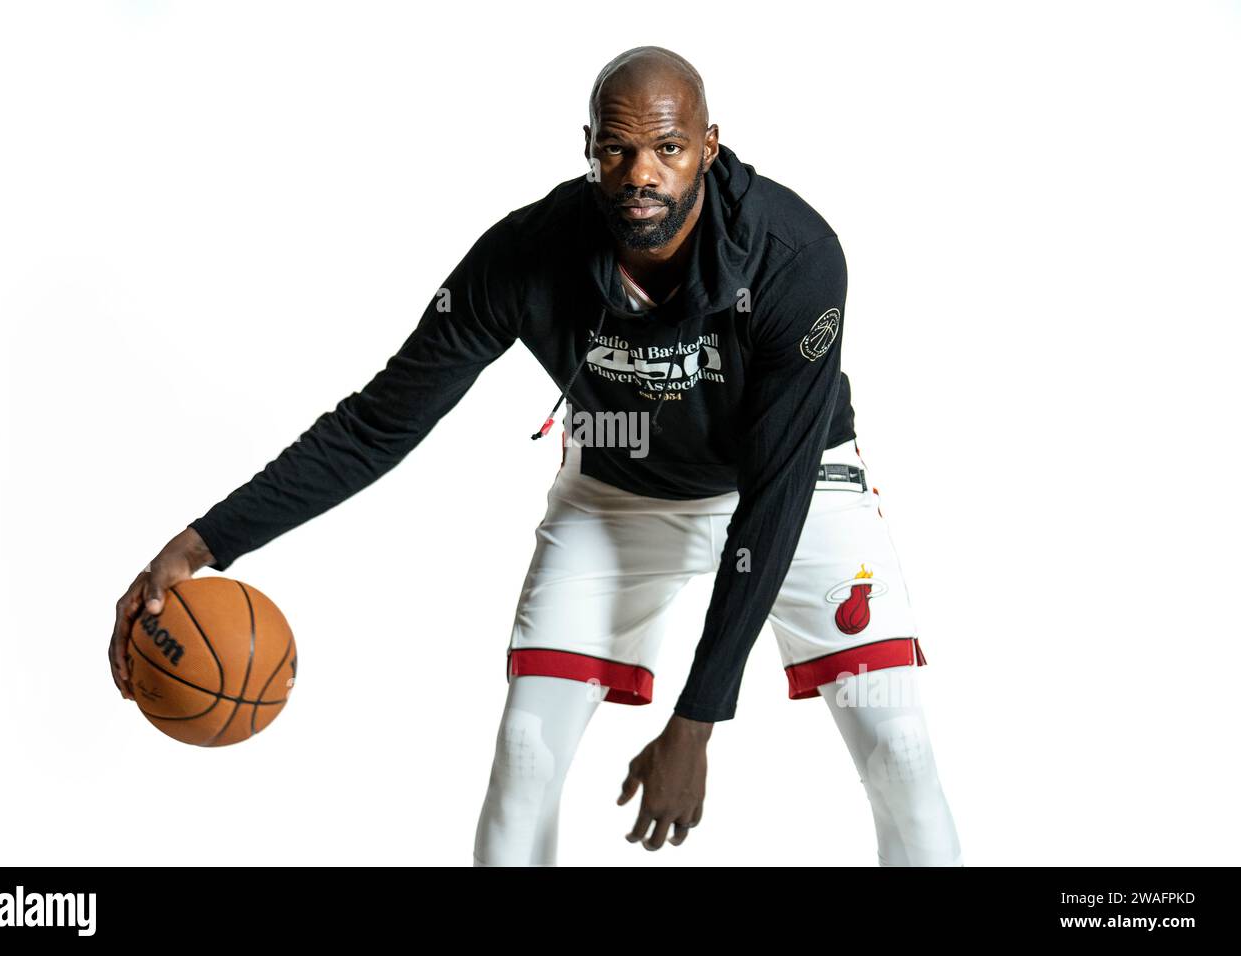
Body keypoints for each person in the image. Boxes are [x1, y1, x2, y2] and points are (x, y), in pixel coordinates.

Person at [109, 45, 962, 867]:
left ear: (709, 146)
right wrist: (196, 546)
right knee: (525, 747)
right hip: (619, 490)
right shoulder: (526, 255)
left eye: (668, 148)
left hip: (797, 486)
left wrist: (697, 718)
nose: (642, 173)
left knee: (900, 745)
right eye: (618, 148)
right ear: (589, 149)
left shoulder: (795, 255)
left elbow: (775, 496)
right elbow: (378, 424)